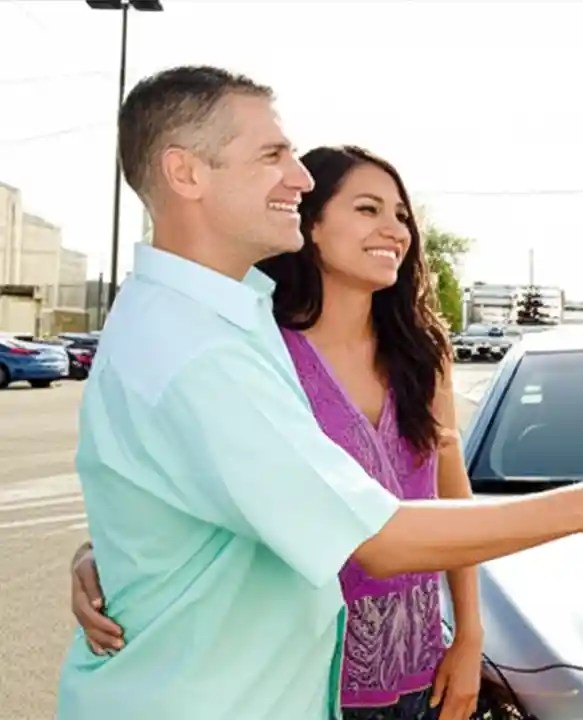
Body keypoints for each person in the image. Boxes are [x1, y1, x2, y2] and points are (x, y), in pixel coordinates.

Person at [57, 65, 583, 720]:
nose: (299, 178)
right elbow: (377, 536)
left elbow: (184, 493)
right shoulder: (198, 352)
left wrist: (120, 556)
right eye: (273, 155)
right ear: (186, 173)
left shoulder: (220, 319)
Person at [66, 143, 512, 720]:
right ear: (313, 225)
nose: (394, 229)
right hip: (301, 679)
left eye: (401, 215)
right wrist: (102, 552)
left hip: (421, 668)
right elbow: (189, 478)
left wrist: (469, 636)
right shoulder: (261, 349)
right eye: (368, 209)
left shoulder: (423, 353)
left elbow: (451, 494)